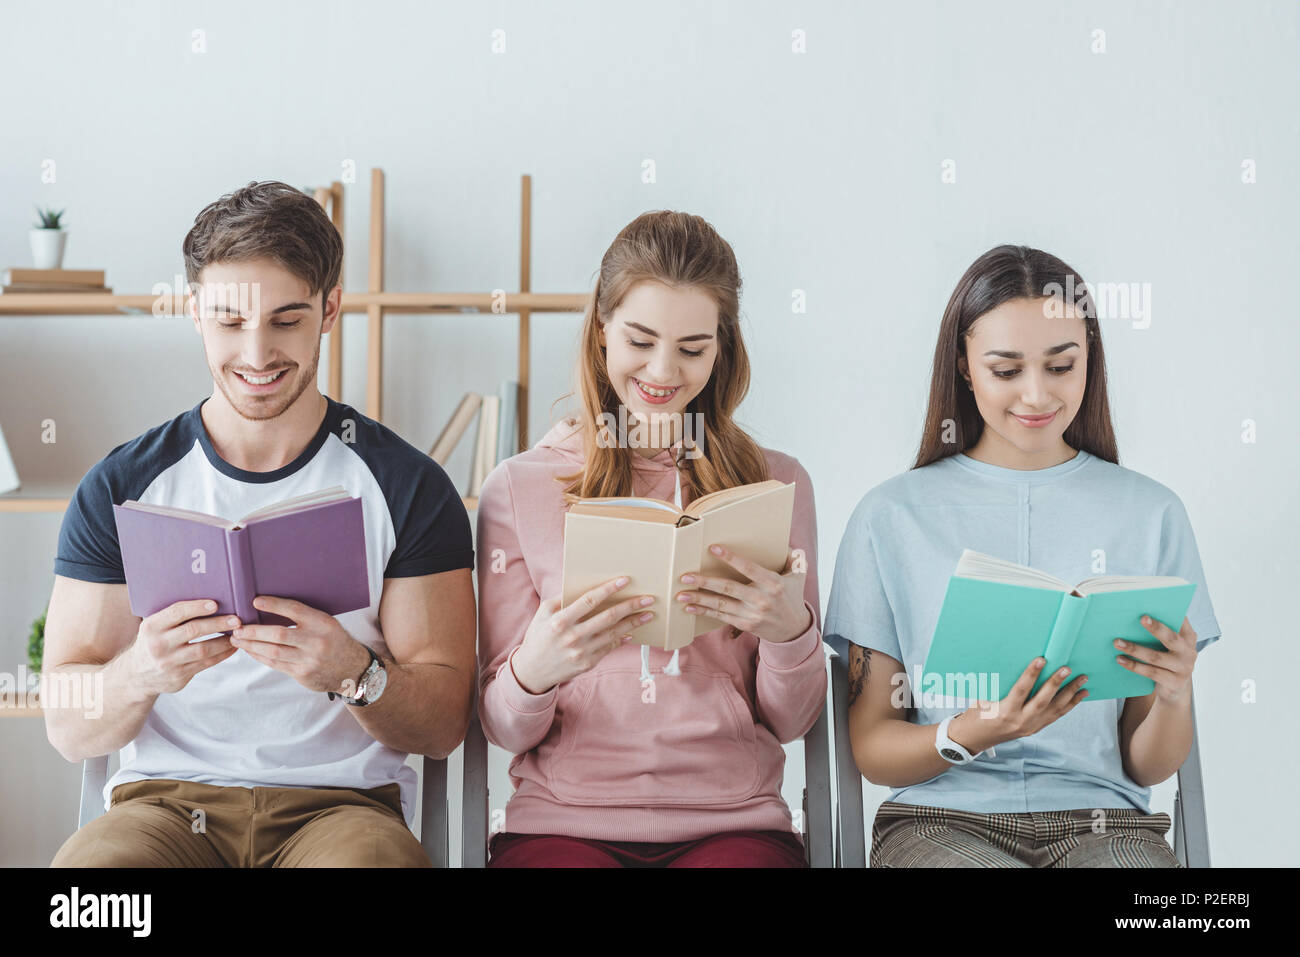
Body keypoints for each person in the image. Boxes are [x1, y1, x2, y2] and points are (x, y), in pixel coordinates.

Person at [45, 181, 476, 867]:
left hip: (340, 812)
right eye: (228, 320)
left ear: (329, 309)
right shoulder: (122, 487)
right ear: (193, 311)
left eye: (285, 320)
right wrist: (141, 671)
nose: (255, 355)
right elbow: (67, 723)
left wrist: (356, 673)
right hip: (162, 810)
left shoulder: (408, 486)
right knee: (91, 898)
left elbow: (445, 723)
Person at [825, 244, 1221, 868]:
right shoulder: (890, 517)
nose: (1036, 396)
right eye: (1006, 370)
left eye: (1062, 366)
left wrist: (1173, 695)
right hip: (939, 823)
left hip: (1108, 824)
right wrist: (977, 731)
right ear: (963, 366)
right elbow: (872, 748)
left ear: (1090, 358)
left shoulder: (1151, 514)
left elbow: (1148, 763)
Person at [476, 210, 825, 867]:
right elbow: (501, 726)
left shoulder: (778, 483)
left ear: (722, 348)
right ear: (602, 328)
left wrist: (790, 633)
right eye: (641, 339)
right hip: (563, 820)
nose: (664, 372)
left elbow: (792, 720)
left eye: (692, 348)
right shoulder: (521, 487)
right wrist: (536, 667)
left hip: (733, 818)